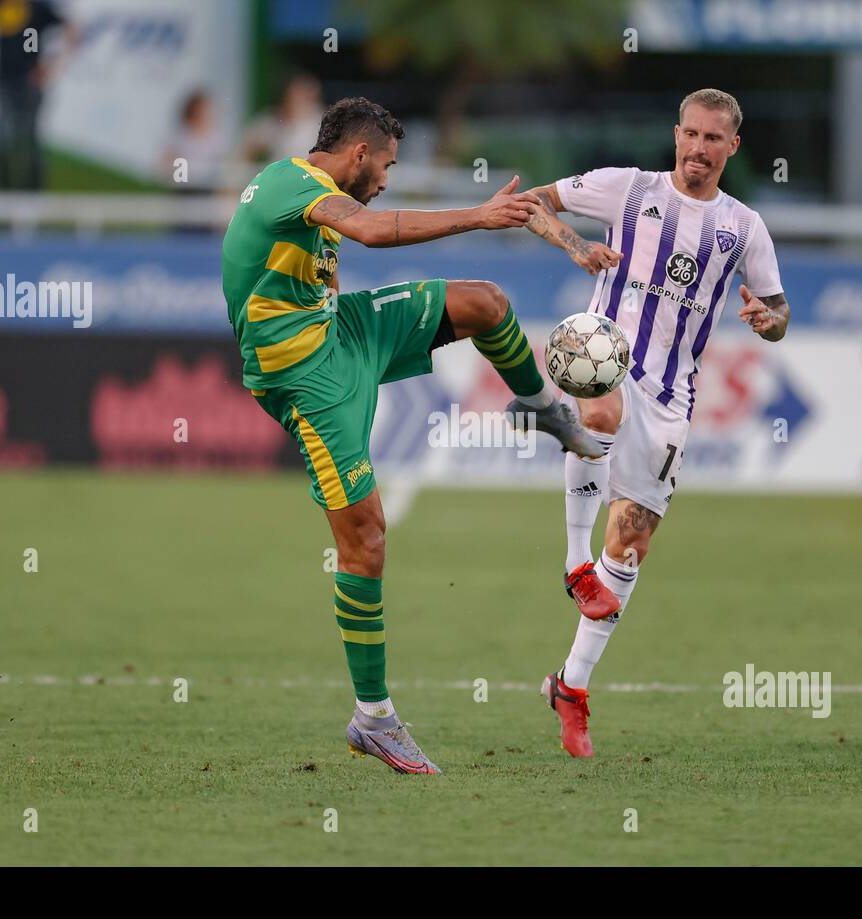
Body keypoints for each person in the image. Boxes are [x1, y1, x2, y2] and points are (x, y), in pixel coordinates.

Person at [222, 96, 603, 775]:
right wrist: (479, 216)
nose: (389, 178)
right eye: (388, 165)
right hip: (306, 378)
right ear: (359, 154)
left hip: (341, 332)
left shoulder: (314, 197)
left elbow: (329, 254)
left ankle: (543, 408)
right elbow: (370, 230)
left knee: (484, 302)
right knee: (365, 540)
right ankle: (373, 718)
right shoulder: (295, 183)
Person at [521, 88, 791, 756]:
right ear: (676, 135)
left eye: (712, 139)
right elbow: (533, 205)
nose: (698, 149)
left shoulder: (744, 227)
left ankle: (572, 686)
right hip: (604, 352)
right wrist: (574, 246)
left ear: (732, 146)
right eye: (690, 135)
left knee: (633, 543)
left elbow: (781, 313)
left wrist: (768, 320)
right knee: (601, 405)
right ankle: (572, 563)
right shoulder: (627, 188)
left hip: (673, 395)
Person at [0, 0, 78, 190]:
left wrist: (53, 64)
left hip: (29, 81)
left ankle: (33, 194)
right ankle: (4, 194)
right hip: (4, 80)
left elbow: (70, 29)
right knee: (2, 139)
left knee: (30, 138)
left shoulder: (36, 7)